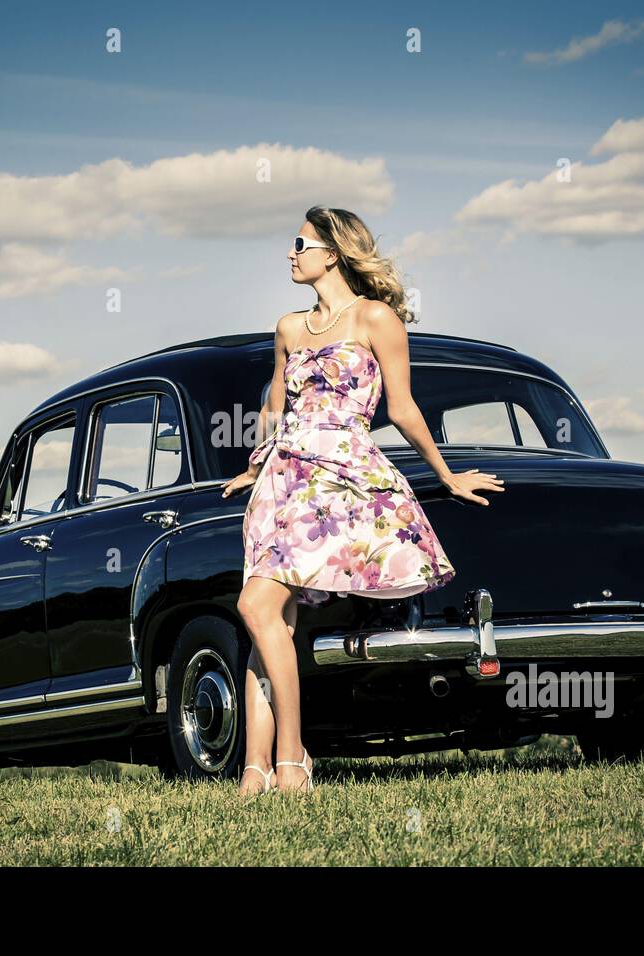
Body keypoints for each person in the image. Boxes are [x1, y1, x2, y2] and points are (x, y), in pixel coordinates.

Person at [219, 205, 505, 796]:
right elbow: (276, 409)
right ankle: (254, 770)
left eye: (300, 243)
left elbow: (400, 407)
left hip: (342, 478)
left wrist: (447, 476)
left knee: (256, 608)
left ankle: (294, 759)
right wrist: (253, 467)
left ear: (333, 252)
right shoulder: (289, 327)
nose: (291, 254)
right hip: (283, 481)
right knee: (267, 620)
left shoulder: (377, 319)